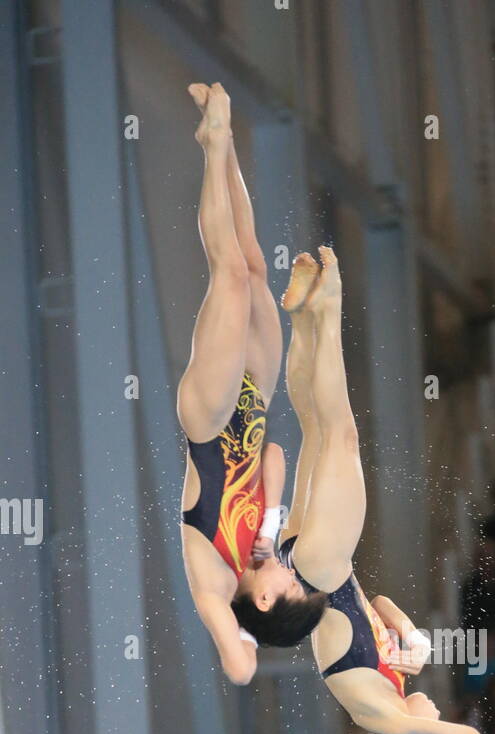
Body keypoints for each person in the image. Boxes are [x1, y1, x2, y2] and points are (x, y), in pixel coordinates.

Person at [273, 247, 482, 734]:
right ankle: (300, 319)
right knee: (318, 431)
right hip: (308, 564)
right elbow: (378, 603)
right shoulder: (385, 689)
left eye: (435, 722)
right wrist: (408, 633)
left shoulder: (381, 718)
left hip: (322, 568)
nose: (438, 708)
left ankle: (328, 308)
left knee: (341, 431)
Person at [177, 84, 324, 683]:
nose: (290, 571)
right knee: (257, 265)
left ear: (263, 601)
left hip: (210, 418)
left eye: (289, 585)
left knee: (231, 275)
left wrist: (243, 638)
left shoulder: (213, 583)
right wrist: (267, 530)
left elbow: (239, 670)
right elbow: (275, 455)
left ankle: (212, 143)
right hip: (254, 403)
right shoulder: (263, 549)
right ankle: (226, 136)